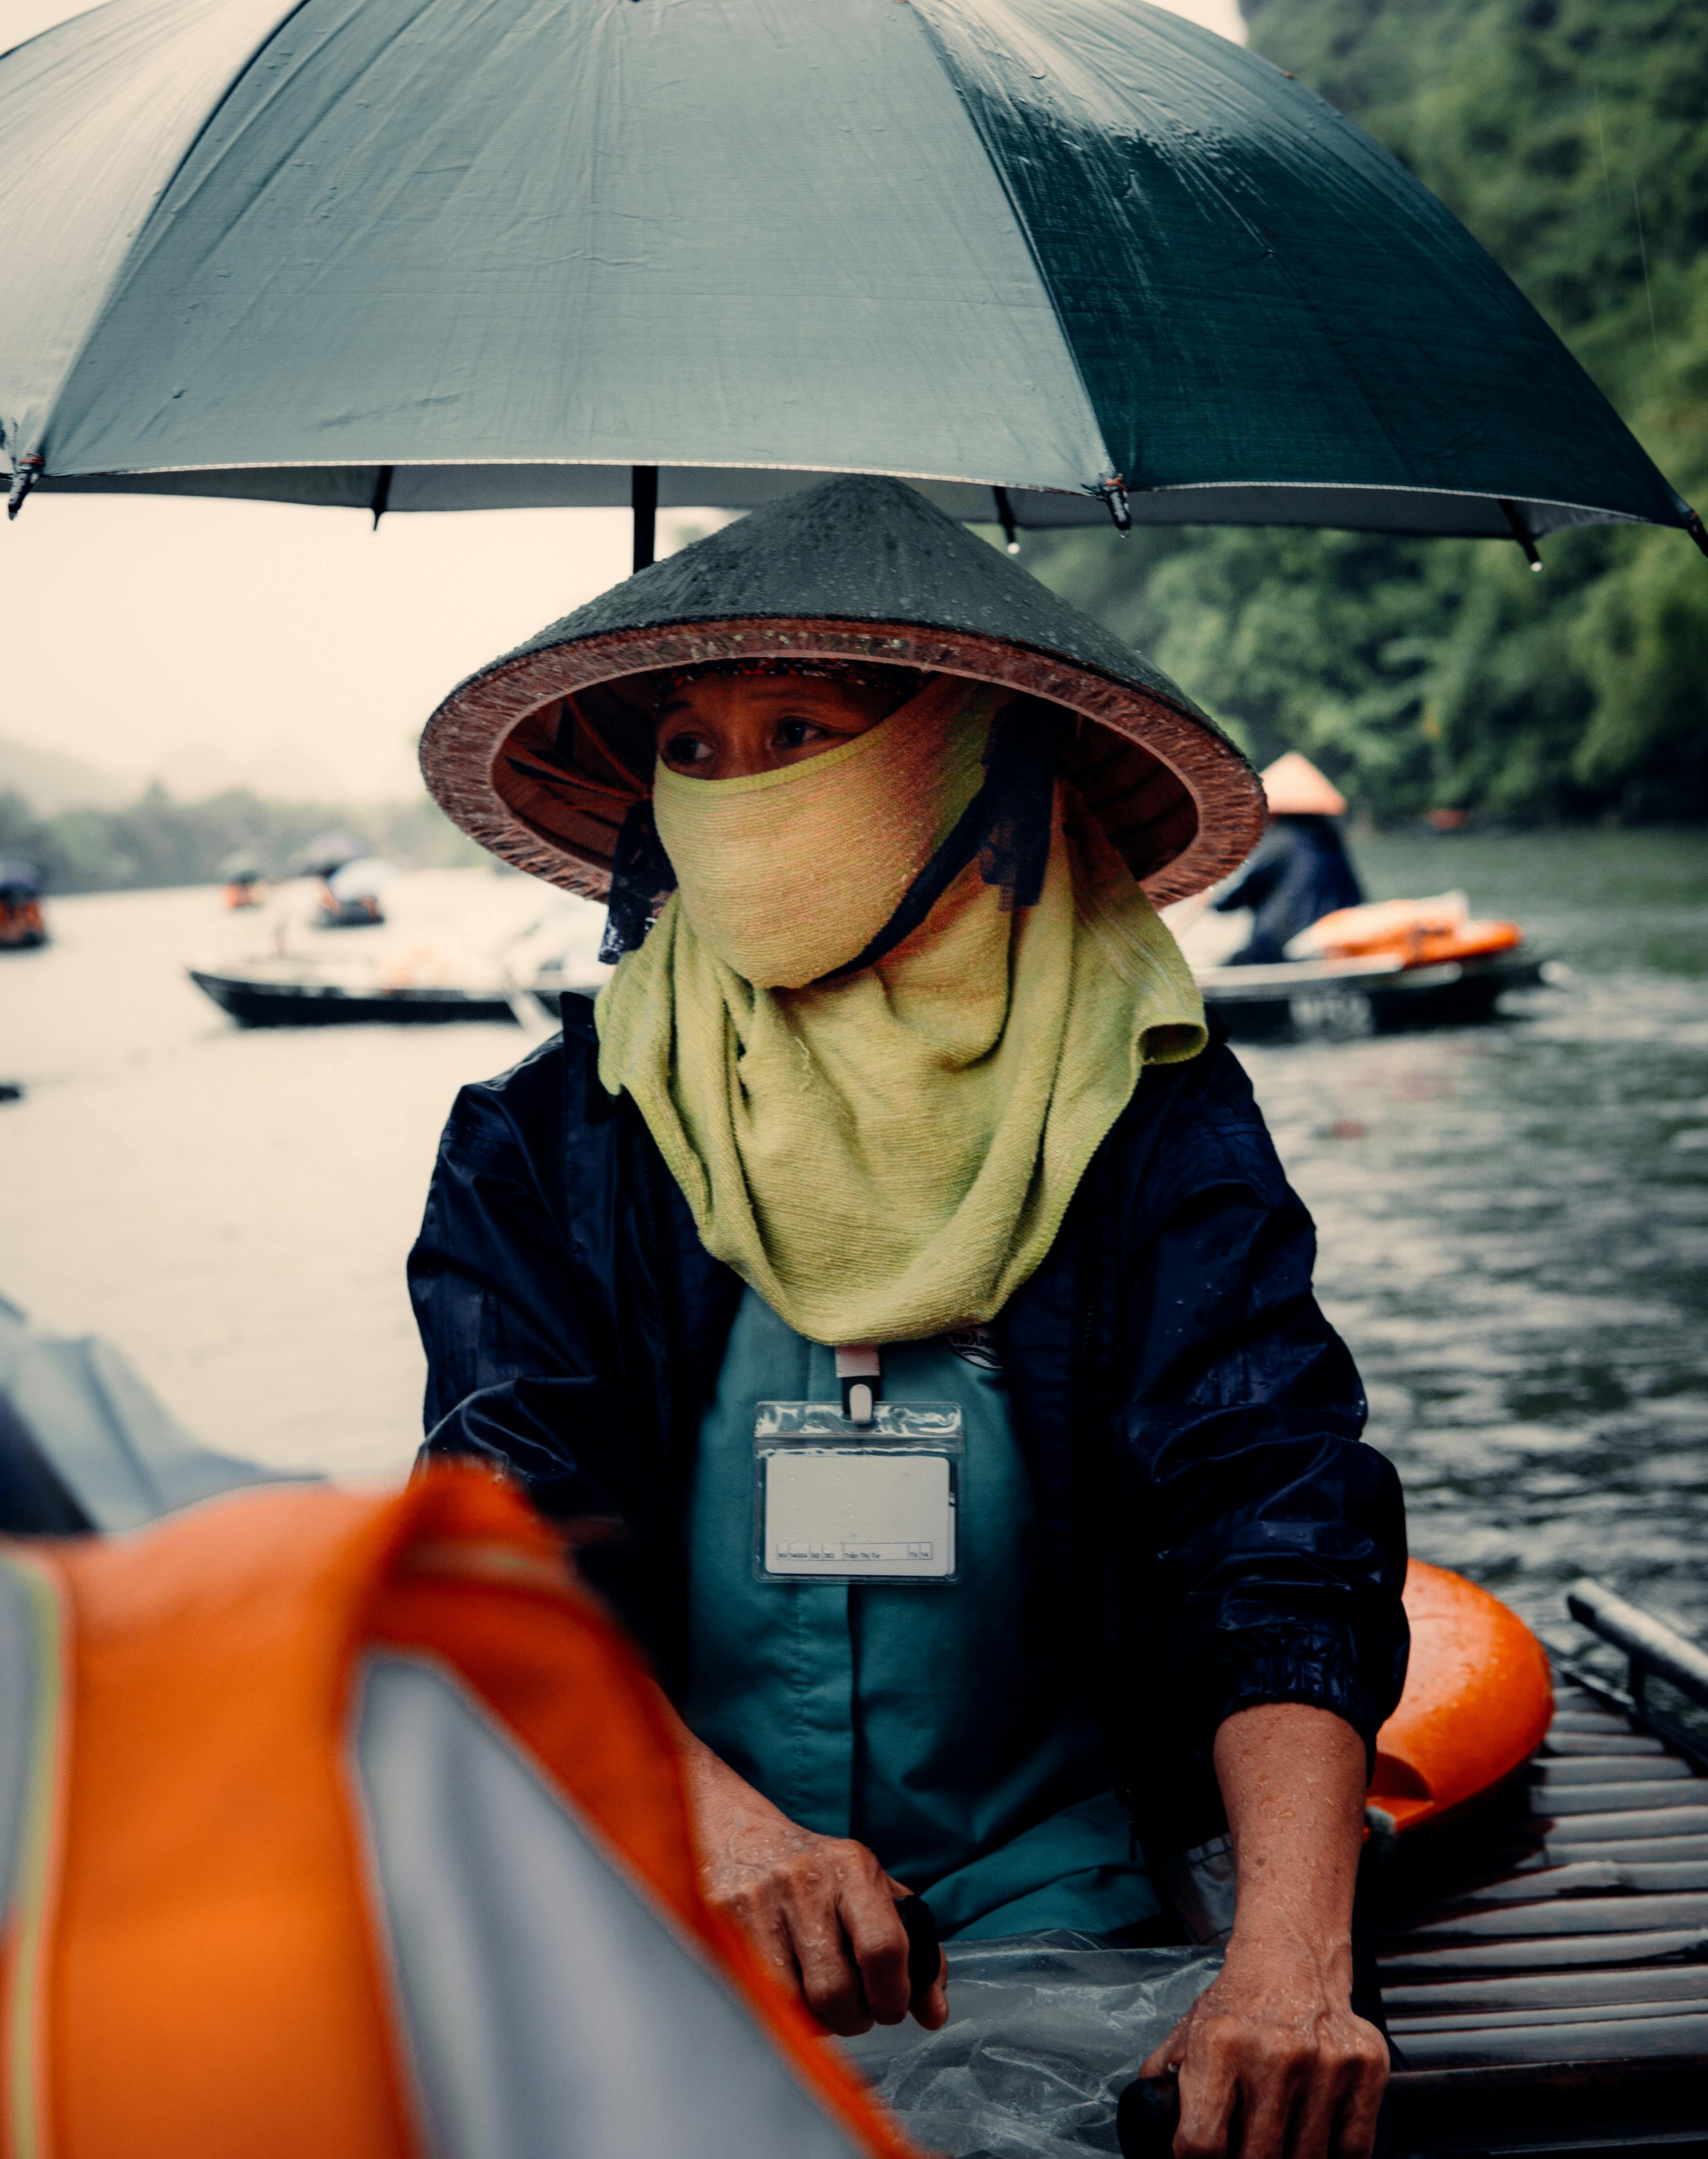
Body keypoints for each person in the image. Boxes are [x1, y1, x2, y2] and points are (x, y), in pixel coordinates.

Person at [410, 477, 1408, 2157]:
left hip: (1064, 1878)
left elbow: (1273, 1521)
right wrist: (707, 1823)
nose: (733, 794)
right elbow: (499, 1538)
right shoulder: (549, 1136)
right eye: (694, 746)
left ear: (954, 765)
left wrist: (1292, 1965)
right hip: (660, 1871)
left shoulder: (1144, 1111)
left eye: (799, 727)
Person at [1214, 752, 1364, 965]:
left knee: (1230, 965)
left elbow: (1230, 900)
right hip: (1336, 946)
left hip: (1284, 947)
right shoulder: (1332, 841)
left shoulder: (1280, 842)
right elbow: (1357, 898)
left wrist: (1214, 898)